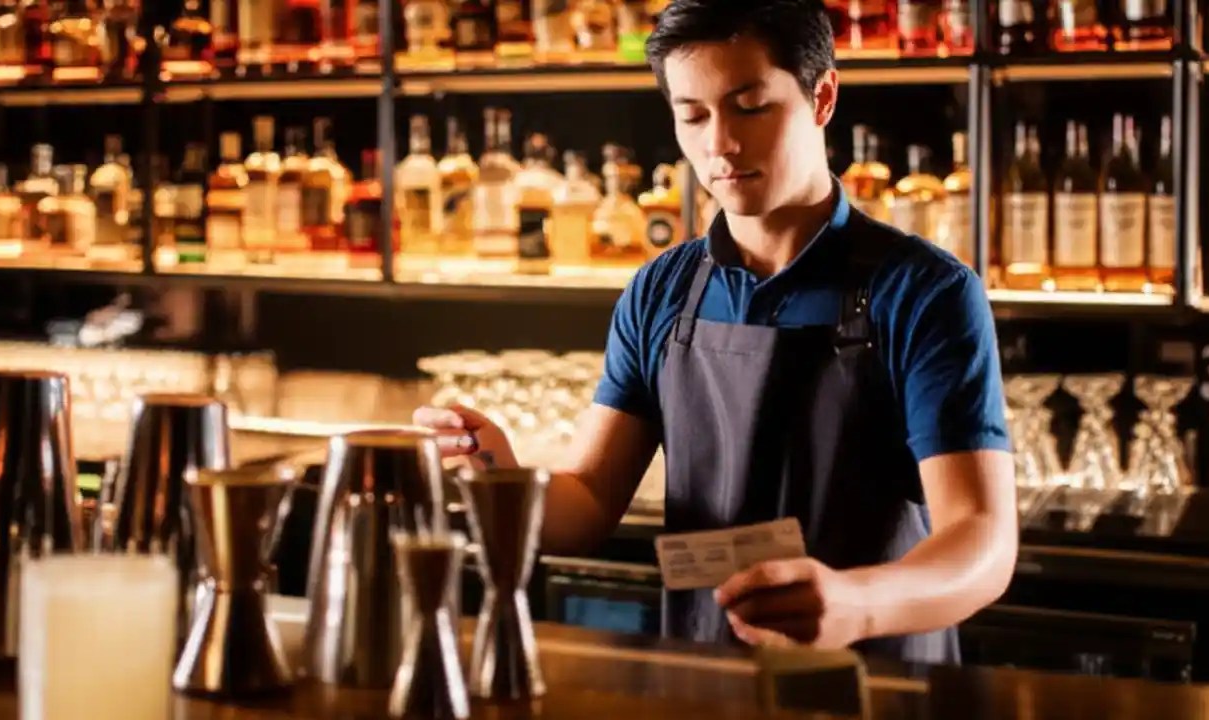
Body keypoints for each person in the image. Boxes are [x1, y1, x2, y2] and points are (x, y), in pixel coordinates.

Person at [414, 0, 1017, 664]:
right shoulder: (663, 290)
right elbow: (586, 502)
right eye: (693, 116)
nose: (720, 145)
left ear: (822, 98)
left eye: (749, 107)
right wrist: (498, 471)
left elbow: (982, 542)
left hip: (879, 683)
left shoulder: (925, 292)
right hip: (706, 679)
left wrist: (855, 603)